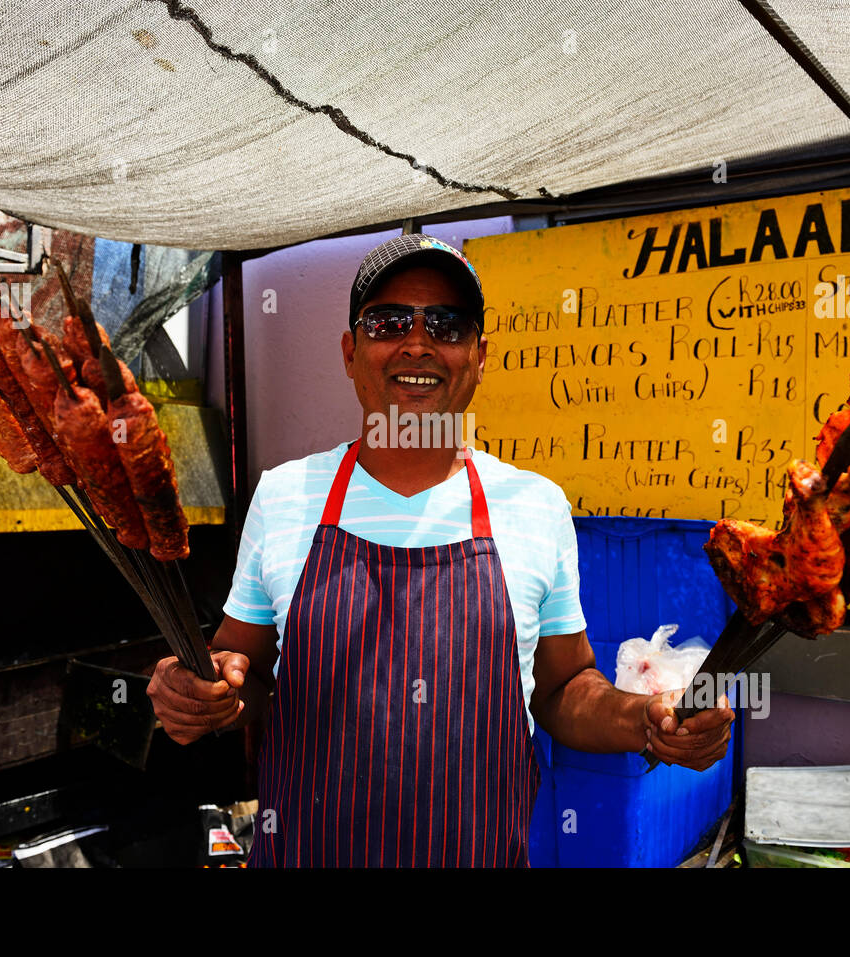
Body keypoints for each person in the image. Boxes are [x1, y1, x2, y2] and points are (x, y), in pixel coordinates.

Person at [147, 233, 734, 867]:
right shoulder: (286, 495)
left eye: (447, 325)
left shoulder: (535, 505)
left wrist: (646, 719)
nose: (418, 343)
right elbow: (247, 672)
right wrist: (202, 693)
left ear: (479, 357)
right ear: (350, 351)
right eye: (388, 321)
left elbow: (563, 688)